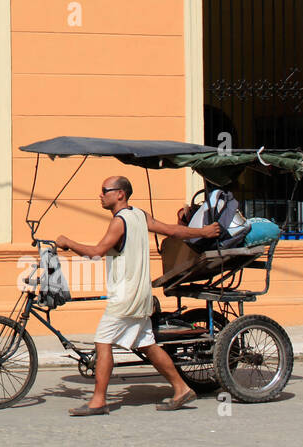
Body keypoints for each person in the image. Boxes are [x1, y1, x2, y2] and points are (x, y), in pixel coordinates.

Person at [56, 175, 221, 415]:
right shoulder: (139, 215)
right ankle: (182, 388)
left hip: (125, 296)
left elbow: (97, 252)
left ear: (120, 194)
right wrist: (203, 232)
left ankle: (98, 401)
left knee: (102, 342)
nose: (100, 195)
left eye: (105, 190)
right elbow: (171, 230)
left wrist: (68, 242)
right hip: (140, 295)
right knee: (148, 345)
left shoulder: (119, 222)